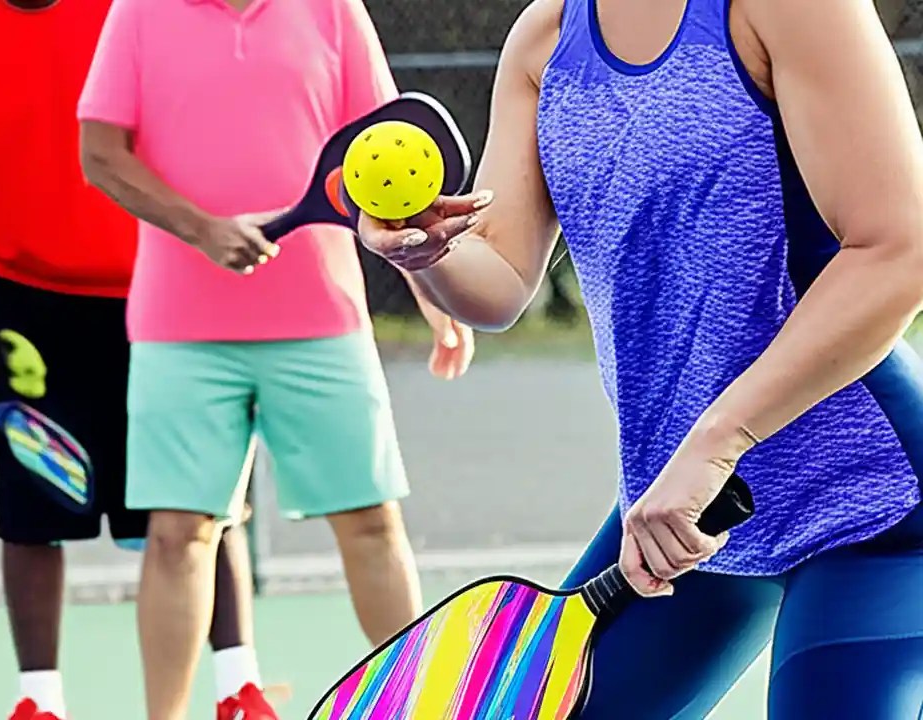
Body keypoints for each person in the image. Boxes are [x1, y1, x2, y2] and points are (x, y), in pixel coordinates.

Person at [358, 0, 923, 716]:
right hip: (687, 514)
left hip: (872, 504)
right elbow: (499, 278)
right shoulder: (546, 37)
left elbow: (897, 251)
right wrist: (426, 251)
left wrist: (718, 443)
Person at [77, 0, 475, 717]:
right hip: (179, 329)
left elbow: (393, 168)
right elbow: (99, 153)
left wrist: (430, 287)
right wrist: (201, 230)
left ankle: (415, 709)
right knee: (177, 539)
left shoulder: (333, 10)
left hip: (323, 321)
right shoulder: (138, 12)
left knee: (371, 525)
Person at [0, 2, 280, 718]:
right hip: (27, 314)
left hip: (164, 299)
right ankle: (38, 701)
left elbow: (201, 137)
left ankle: (238, 684)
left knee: (199, 502)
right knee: (32, 509)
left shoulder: (131, 11)